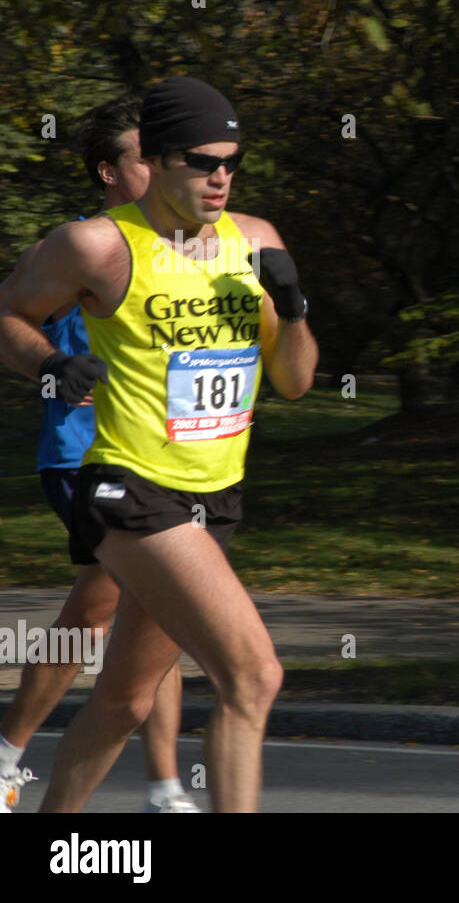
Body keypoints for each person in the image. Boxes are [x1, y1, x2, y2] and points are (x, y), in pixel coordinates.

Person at [0, 76, 319, 812]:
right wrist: (48, 365)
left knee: (125, 701)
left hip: (215, 492)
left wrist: (294, 308)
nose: (220, 178)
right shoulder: (98, 246)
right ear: (158, 157)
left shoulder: (257, 240)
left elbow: (296, 382)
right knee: (254, 674)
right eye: (204, 161)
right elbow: (10, 314)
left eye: (232, 163)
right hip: (130, 487)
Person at [0, 98, 198, 813]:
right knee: (101, 607)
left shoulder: (188, 246)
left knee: (157, 609)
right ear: (108, 171)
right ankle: (6, 755)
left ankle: (164, 784)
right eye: (144, 157)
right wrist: (54, 366)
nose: (161, 167)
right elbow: (9, 317)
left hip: (159, 459)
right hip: (82, 457)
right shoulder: (83, 245)